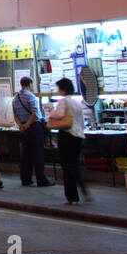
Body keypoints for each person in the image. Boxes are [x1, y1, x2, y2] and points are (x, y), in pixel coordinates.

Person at [47, 77, 89, 205]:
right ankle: (84, 191)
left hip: (67, 135)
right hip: (78, 135)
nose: (58, 91)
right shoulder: (77, 102)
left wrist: (50, 111)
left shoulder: (63, 101)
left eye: (59, 88)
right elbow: (81, 121)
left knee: (67, 167)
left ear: (63, 89)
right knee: (74, 165)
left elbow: (58, 115)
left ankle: (71, 196)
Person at [12, 76, 52, 187]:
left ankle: (25, 179)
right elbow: (35, 113)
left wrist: (21, 125)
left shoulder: (16, 98)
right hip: (34, 128)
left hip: (23, 130)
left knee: (26, 155)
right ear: (30, 84)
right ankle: (41, 179)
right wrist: (28, 125)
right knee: (38, 154)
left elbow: (14, 114)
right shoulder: (31, 97)